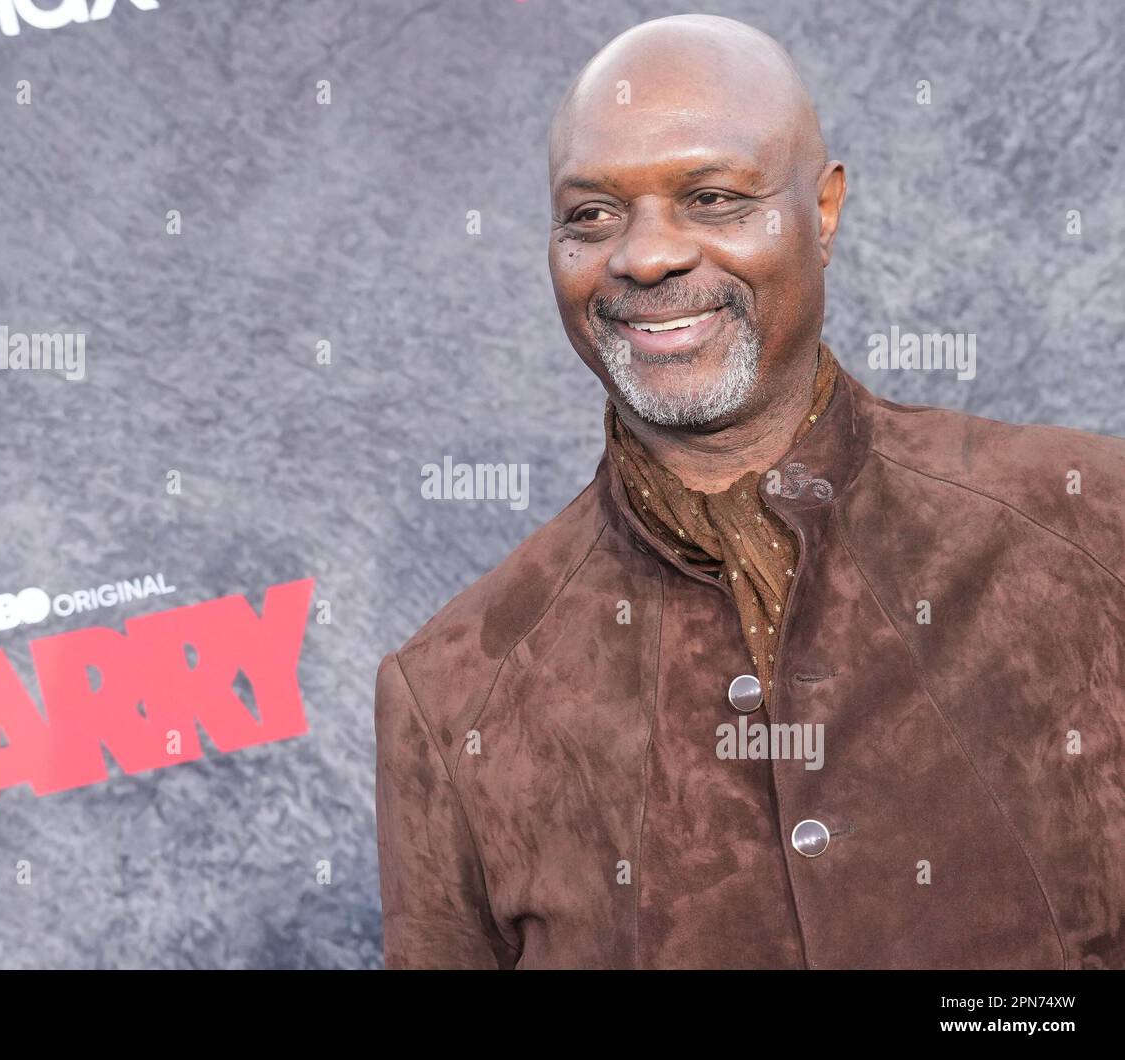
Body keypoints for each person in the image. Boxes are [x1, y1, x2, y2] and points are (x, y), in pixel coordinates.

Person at [373, 13, 1125, 969]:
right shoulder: (450, 695)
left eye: (713, 197)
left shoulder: (1097, 525)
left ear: (825, 209)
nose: (645, 256)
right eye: (592, 215)